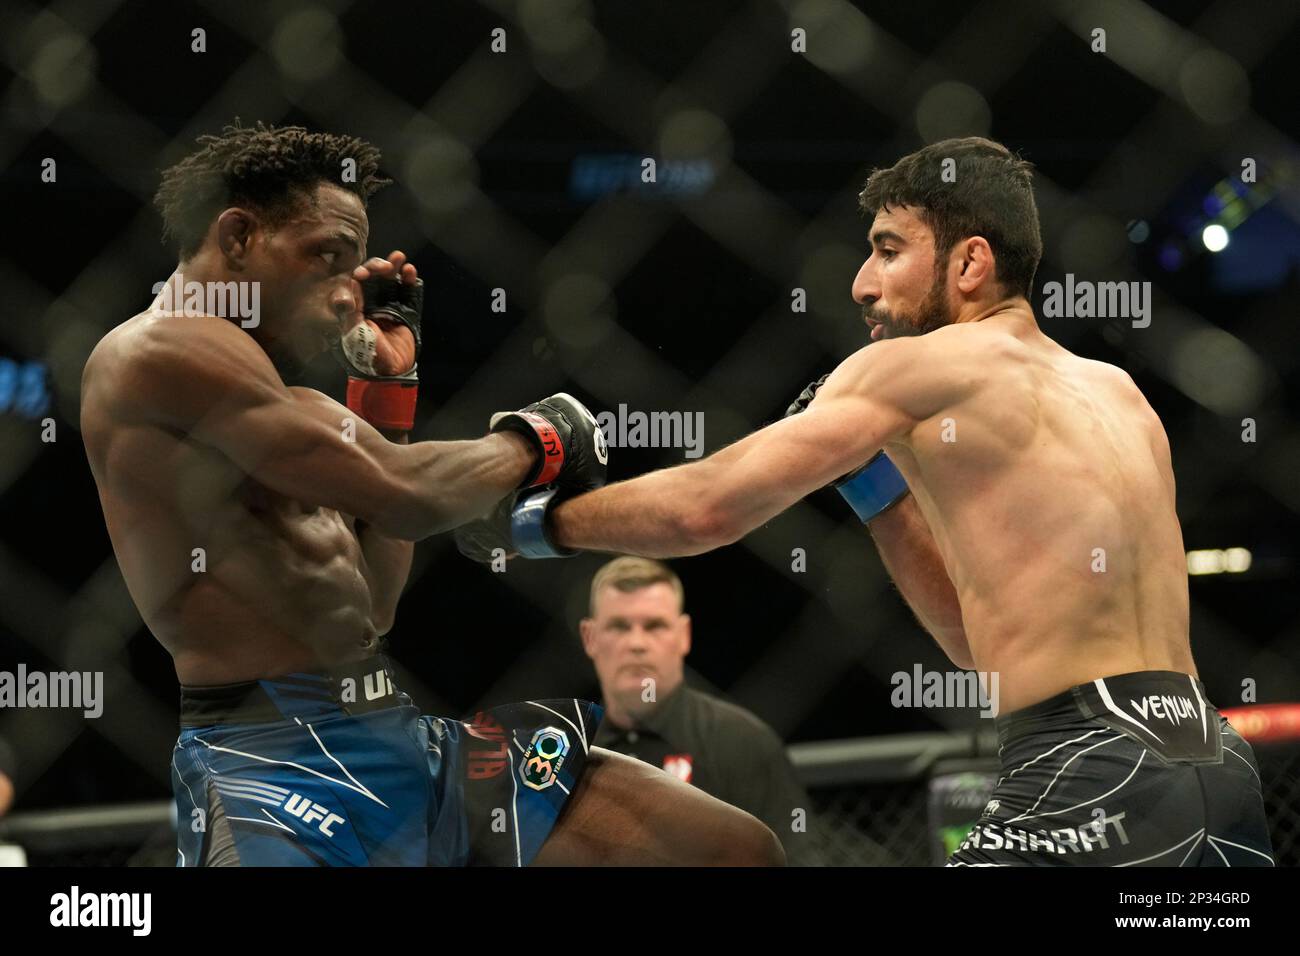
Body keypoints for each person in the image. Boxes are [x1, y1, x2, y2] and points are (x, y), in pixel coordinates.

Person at [456, 136, 1274, 866]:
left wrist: (539, 522)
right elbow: (973, 642)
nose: (861, 284)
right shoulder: (1122, 394)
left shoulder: (916, 370)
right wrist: (878, 492)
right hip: (1214, 763)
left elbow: (705, 508)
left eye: (888, 251)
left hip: (1084, 761)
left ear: (969, 263)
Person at [80, 121, 782, 866]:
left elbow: (375, 600)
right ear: (239, 234)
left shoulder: (289, 407)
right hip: (266, 760)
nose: (350, 297)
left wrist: (386, 391)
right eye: (327, 257)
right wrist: (537, 440)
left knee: (729, 850)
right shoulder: (157, 351)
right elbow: (404, 495)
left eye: (356, 269)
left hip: (396, 733)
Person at [582, 557, 815, 863]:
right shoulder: (571, 748)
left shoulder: (741, 741)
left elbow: (795, 859)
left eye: (655, 626)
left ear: (683, 635)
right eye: (619, 626)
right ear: (590, 637)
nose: (636, 643)